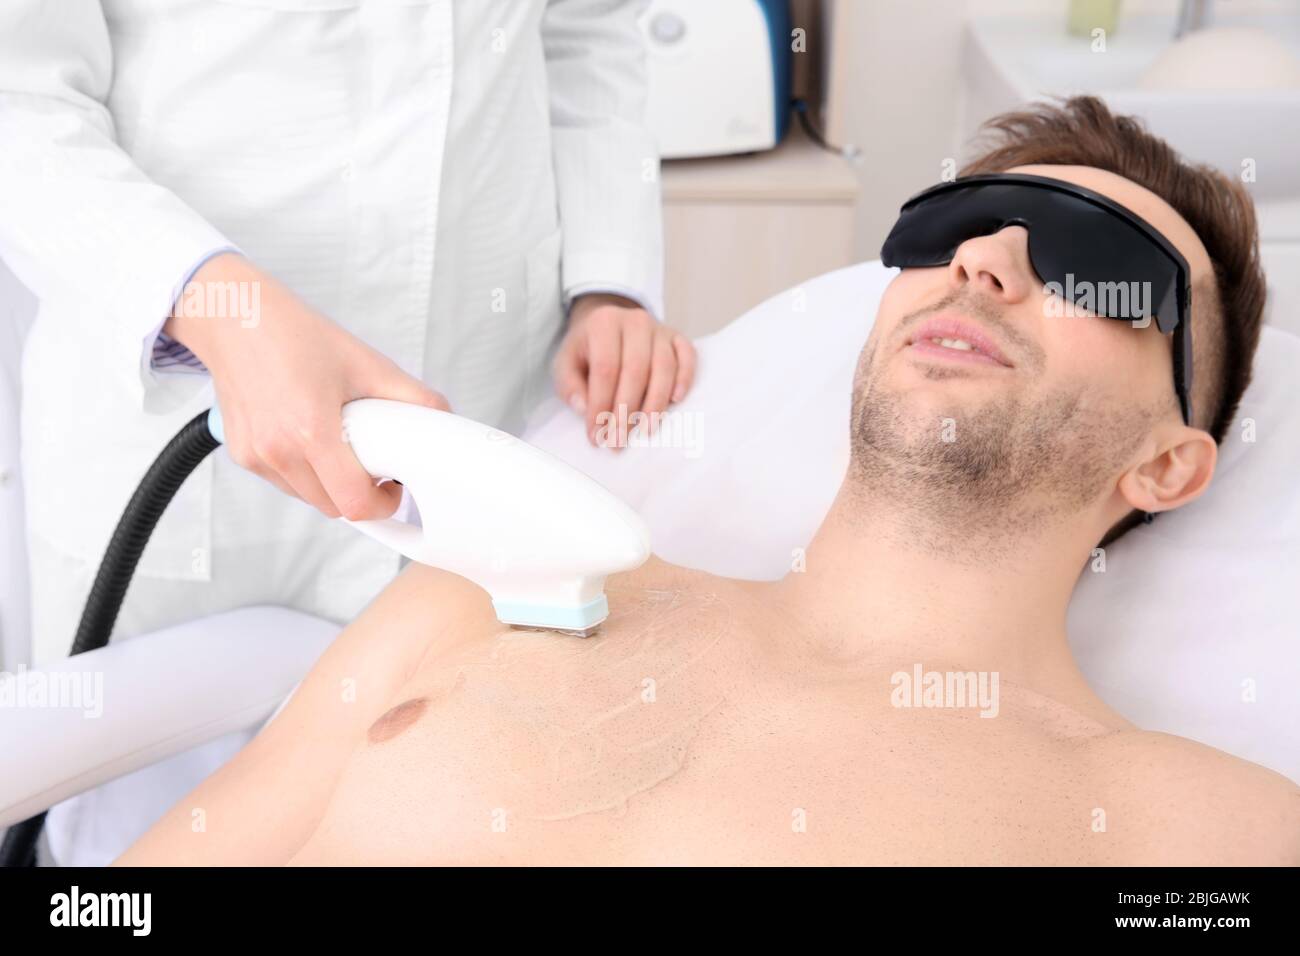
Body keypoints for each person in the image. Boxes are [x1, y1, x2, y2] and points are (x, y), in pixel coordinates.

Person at [116, 98, 1297, 866]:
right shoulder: (478, 605)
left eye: (1096, 262)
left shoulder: (1188, 828)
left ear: (1166, 462)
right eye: (962, 222)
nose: (986, 262)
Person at [0, 0, 693, 667]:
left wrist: (606, 280)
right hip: (184, 469)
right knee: (174, 780)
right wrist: (219, 310)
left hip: (488, 415)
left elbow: (587, 28)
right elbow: (18, 97)